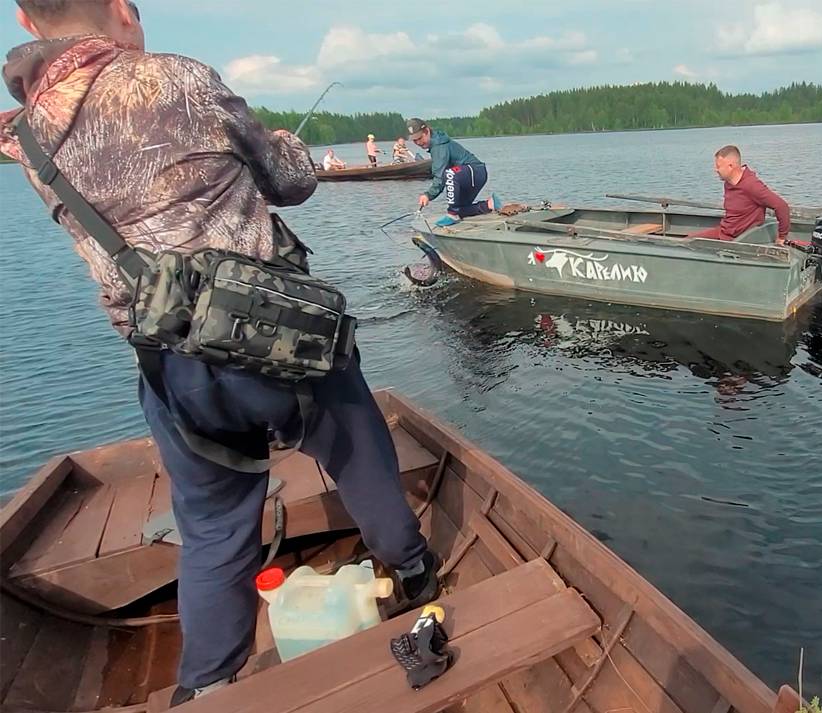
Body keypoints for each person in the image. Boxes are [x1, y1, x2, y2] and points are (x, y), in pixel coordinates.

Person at [1, 1, 439, 707]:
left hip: (171, 366)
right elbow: (290, 181)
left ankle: (205, 684)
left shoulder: (28, 134)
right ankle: (414, 572)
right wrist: (285, 145)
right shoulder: (176, 79)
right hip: (278, 337)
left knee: (211, 528)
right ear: (119, 11)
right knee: (359, 454)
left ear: (26, 23)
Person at [688, 145, 791, 245]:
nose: (716, 170)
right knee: (688, 240)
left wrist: (782, 236)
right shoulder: (728, 182)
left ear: (731, 166)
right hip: (725, 232)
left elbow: (781, 206)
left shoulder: (751, 185)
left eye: (718, 166)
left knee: (689, 245)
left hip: (739, 239)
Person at [407, 118, 499, 227]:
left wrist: (428, 195)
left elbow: (440, 176)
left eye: (420, 138)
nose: (418, 142)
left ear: (427, 131)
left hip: (474, 171)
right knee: (461, 210)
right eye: (415, 140)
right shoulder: (436, 143)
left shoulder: (439, 146)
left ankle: (452, 214)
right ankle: (489, 205)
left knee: (450, 174)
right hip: (470, 176)